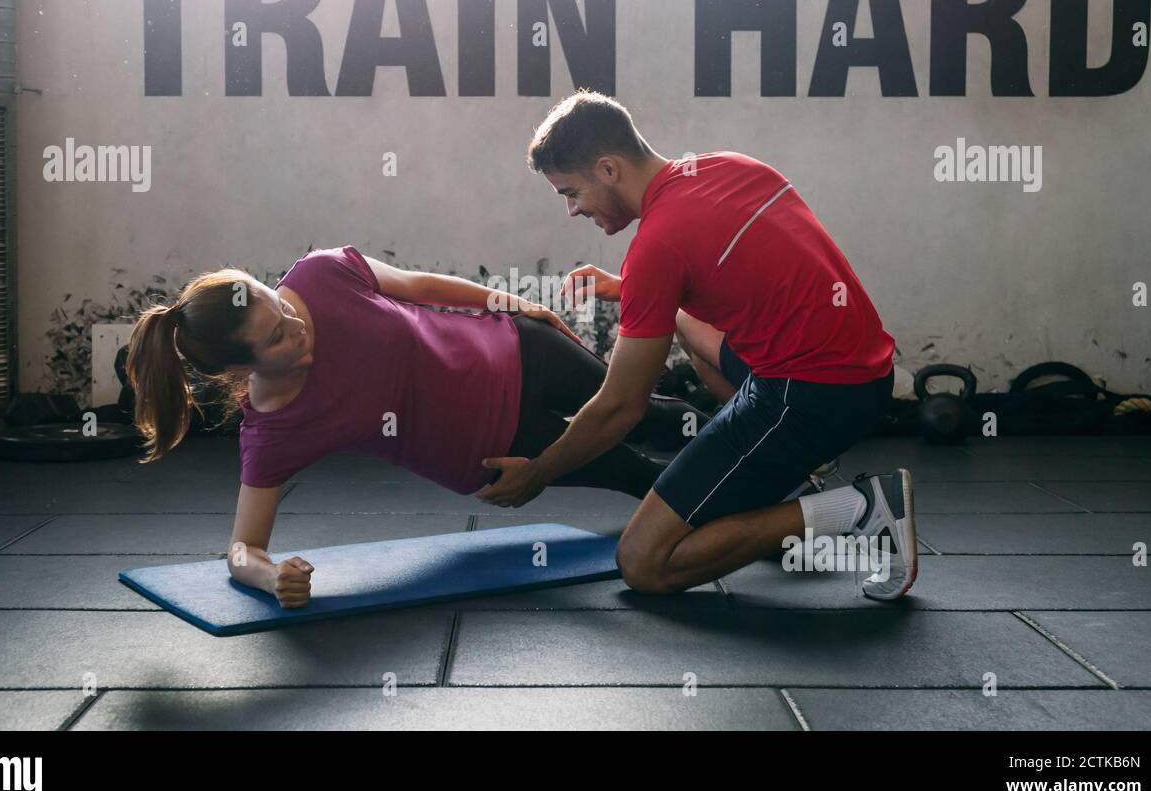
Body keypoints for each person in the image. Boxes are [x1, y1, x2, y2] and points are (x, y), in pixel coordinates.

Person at [477, 91, 917, 600]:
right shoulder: (729, 166)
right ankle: (799, 464)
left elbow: (621, 407)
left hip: (807, 398)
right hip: (865, 374)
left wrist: (538, 474)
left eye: (572, 193)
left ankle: (861, 508)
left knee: (644, 562)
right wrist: (633, 289)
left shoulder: (657, 247)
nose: (573, 210)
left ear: (608, 169)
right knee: (683, 318)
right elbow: (744, 268)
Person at [124, 246, 701, 608]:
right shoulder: (274, 429)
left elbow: (419, 285)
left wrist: (510, 302)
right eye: (277, 337)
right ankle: (756, 517)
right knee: (636, 475)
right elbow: (242, 549)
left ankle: (773, 454)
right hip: (496, 450)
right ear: (238, 367)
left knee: (649, 413)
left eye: (284, 308)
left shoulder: (323, 274)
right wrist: (271, 578)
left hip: (518, 352)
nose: (296, 326)